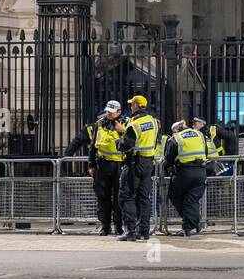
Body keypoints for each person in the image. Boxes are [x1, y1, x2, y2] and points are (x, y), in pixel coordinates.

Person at [64, 100, 125, 236]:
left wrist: (121, 132)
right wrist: (91, 164)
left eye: (112, 111)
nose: (109, 114)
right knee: (103, 198)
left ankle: (119, 227)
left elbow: (130, 144)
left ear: (119, 112)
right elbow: (92, 146)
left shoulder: (125, 124)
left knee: (118, 199)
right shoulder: (98, 125)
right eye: (108, 111)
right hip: (103, 165)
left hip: (120, 166)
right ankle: (105, 226)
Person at [115, 95, 160, 241]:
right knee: (144, 198)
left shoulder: (134, 124)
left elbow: (126, 145)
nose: (130, 106)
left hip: (134, 163)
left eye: (132, 104)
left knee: (126, 197)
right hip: (148, 164)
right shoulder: (153, 121)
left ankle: (130, 232)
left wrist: (119, 138)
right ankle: (144, 231)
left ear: (136, 105)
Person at [163, 119, 210, 236]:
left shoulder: (176, 138)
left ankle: (191, 223)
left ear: (176, 130)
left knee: (175, 196)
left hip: (184, 172)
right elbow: (206, 151)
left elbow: (168, 159)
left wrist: (166, 167)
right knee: (192, 200)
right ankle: (190, 225)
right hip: (201, 171)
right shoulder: (200, 135)